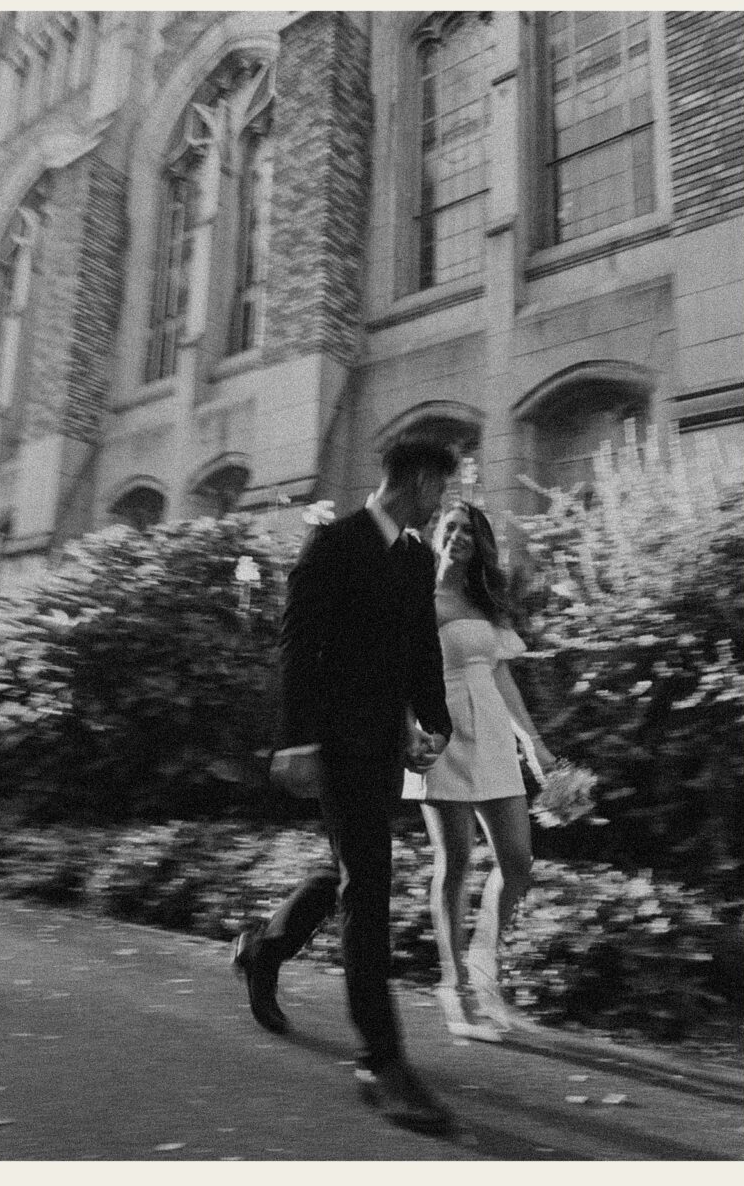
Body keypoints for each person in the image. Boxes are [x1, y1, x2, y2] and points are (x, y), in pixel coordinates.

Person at [231, 438, 458, 1134]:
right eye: (443, 489)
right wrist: (297, 741)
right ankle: (380, 1060)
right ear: (420, 482)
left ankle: (264, 947)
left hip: (386, 745)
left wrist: (436, 725)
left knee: (350, 869)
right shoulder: (334, 544)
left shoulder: (419, 558)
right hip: (333, 745)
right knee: (369, 883)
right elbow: (299, 644)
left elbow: (422, 645)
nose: (445, 503)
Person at [404, 501, 556, 1041]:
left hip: (491, 731)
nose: (461, 536)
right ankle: (454, 987)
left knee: (517, 861)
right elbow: (398, 672)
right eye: (452, 526)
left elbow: (502, 678)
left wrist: (532, 743)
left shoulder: (486, 601)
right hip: (438, 733)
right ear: (435, 533)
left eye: (471, 529)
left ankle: (484, 969)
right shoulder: (417, 594)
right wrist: (408, 733)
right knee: (456, 862)